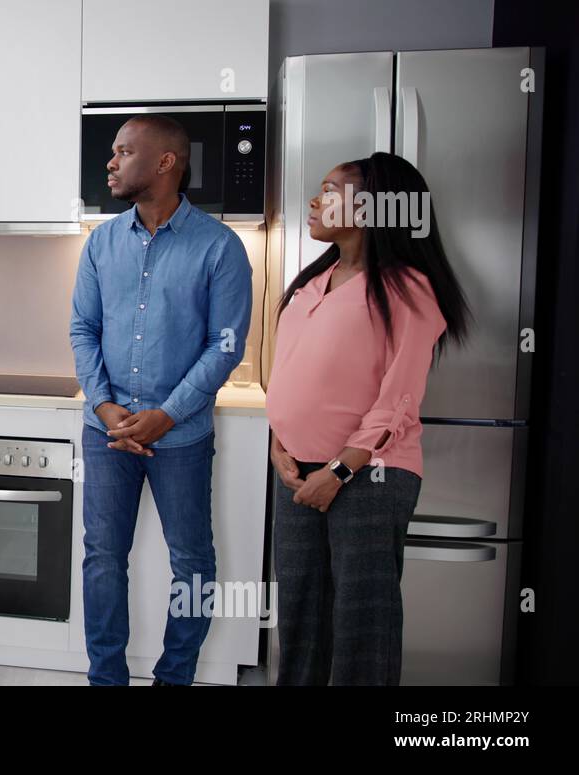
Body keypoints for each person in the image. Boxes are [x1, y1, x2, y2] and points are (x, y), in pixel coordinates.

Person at [266, 151, 468, 685]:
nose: (314, 200)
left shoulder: (408, 289)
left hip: (368, 475)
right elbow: (289, 378)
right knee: (300, 615)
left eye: (330, 191)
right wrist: (278, 446)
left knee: (362, 622)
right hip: (296, 472)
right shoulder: (311, 282)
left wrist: (339, 472)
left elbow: (399, 398)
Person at [70, 115, 252, 685]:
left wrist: (167, 414)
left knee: (192, 561)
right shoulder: (101, 242)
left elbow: (225, 347)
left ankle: (175, 678)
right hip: (107, 432)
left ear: (166, 162)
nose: (111, 162)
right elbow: (83, 329)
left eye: (124, 151)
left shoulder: (220, 247)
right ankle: (106, 678)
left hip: (182, 436)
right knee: (103, 559)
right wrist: (105, 408)